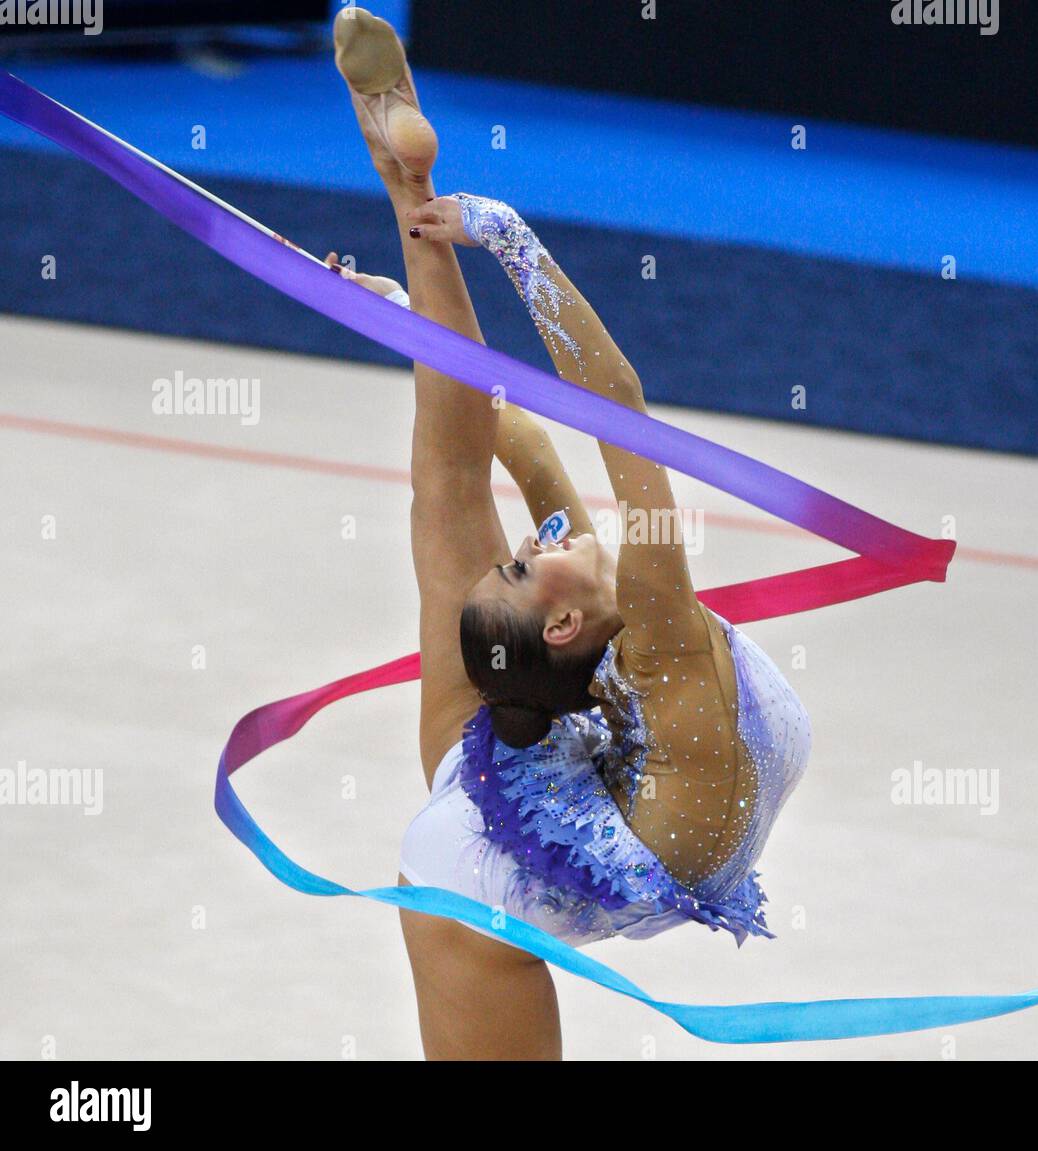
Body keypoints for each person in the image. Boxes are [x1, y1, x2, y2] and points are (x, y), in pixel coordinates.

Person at [333, 8, 811, 1059]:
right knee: (460, 479)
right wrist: (506, 234)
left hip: (505, 792)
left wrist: (401, 317)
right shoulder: (666, 646)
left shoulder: (590, 632)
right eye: (527, 562)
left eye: (521, 555)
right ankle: (413, 196)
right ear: (565, 628)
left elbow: (514, 435)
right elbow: (620, 407)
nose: (537, 538)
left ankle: (401, 185)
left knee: (447, 475)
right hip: (510, 864)